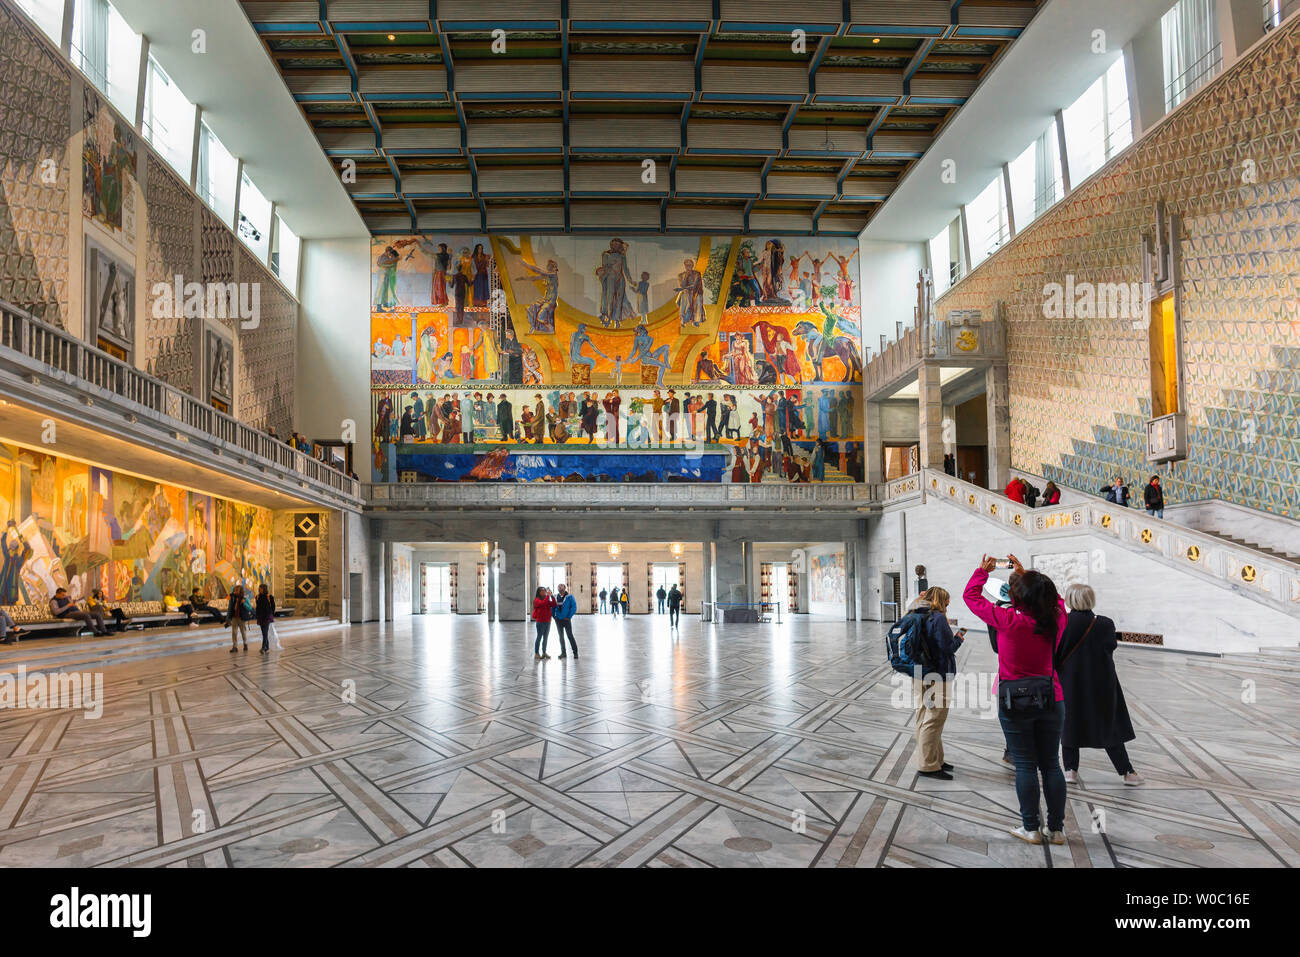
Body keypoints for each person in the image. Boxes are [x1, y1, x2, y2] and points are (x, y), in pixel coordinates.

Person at [963, 553, 1068, 845]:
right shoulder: (1057, 620)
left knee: (1024, 764)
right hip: (1051, 696)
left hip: (1014, 699)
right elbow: (1056, 601)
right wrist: (1028, 576)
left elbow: (971, 597)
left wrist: (981, 571)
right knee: (1051, 764)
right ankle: (1056, 830)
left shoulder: (1008, 619)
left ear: (1018, 598)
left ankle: (1031, 828)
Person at [1058, 584, 1142, 786]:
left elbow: (1056, 652)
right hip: (1101, 684)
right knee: (1108, 726)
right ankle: (1127, 772)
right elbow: (1111, 646)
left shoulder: (1062, 623)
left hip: (1070, 682)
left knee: (1069, 724)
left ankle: (1070, 770)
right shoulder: (1105, 624)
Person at [911, 587, 966, 780]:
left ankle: (936, 759)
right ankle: (928, 765)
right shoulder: (938, 617)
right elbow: (947, 647)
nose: (948, 604)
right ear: (940, 600)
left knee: (923, 716)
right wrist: (958, 639)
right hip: (937, 673)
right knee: (934, 719)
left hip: (918, 671)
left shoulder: (915, 612)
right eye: (947, 600)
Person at [553, 584, 578, 659]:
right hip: (558, 620)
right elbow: (553, 607)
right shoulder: (555, 597)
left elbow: (574, 607)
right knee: (561, 637)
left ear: (564, 588)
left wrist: (569, 617)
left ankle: (575, 653)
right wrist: (554, 616)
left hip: (566, 620)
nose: (560, 587)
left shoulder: (570, 597)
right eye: (559, 586)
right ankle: (563, 653)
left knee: (570, 636)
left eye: (561, 586)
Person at [532, 586, 556, 660]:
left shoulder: (546, 599)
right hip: (540, 622)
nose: (544, 592)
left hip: (547, 621)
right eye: (542, 590)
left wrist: (551, 596)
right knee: (539, 637)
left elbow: (554, 604)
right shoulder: (536, 600)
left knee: (545, 638)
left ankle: (544, 652)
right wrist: (548, 596)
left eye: (545, 590)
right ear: (539, 592)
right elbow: (542, 604)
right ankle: (536, 653)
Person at [227, 585, 251, 653]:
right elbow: (230, 608)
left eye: (236, 590)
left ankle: (245, 644)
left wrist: (244, 603)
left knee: (243, 632)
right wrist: (228, 618)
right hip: (234, 617)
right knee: (234, 633)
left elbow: (250, 608)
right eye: (234, 590)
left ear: (240, 591)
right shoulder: (232, 598)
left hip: (241, 618)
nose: (235, 591)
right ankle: (235, 647)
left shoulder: (245, 598)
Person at [255, 583, 276, 655]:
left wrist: (271, 614)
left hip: (267, 616)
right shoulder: (257, 597)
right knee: (264, 633)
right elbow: (258, 607)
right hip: (260, 617)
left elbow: (273, 607)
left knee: (265, 632)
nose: (259, 589)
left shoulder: (269, 597)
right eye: (259, 588)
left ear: (264, 589)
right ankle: (267, 647)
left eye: (260, 588)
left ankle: (263, 648)